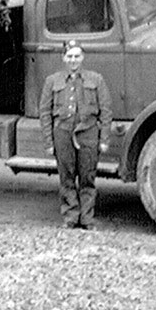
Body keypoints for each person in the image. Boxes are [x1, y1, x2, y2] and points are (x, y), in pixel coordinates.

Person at [38, 40, 112, 230]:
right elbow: (45, 112)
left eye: (77, 56)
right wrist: (49, 142)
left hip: (88, 133)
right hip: (62, 134)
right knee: (67, 177)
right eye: (69, 56)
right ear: (63, 58)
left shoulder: (96, 79)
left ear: (83, 57)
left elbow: (106, 110)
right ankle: (71, 217)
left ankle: (87, 219)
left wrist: (103, 139)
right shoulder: (52, 81)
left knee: (88, 177)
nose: (73, 60)